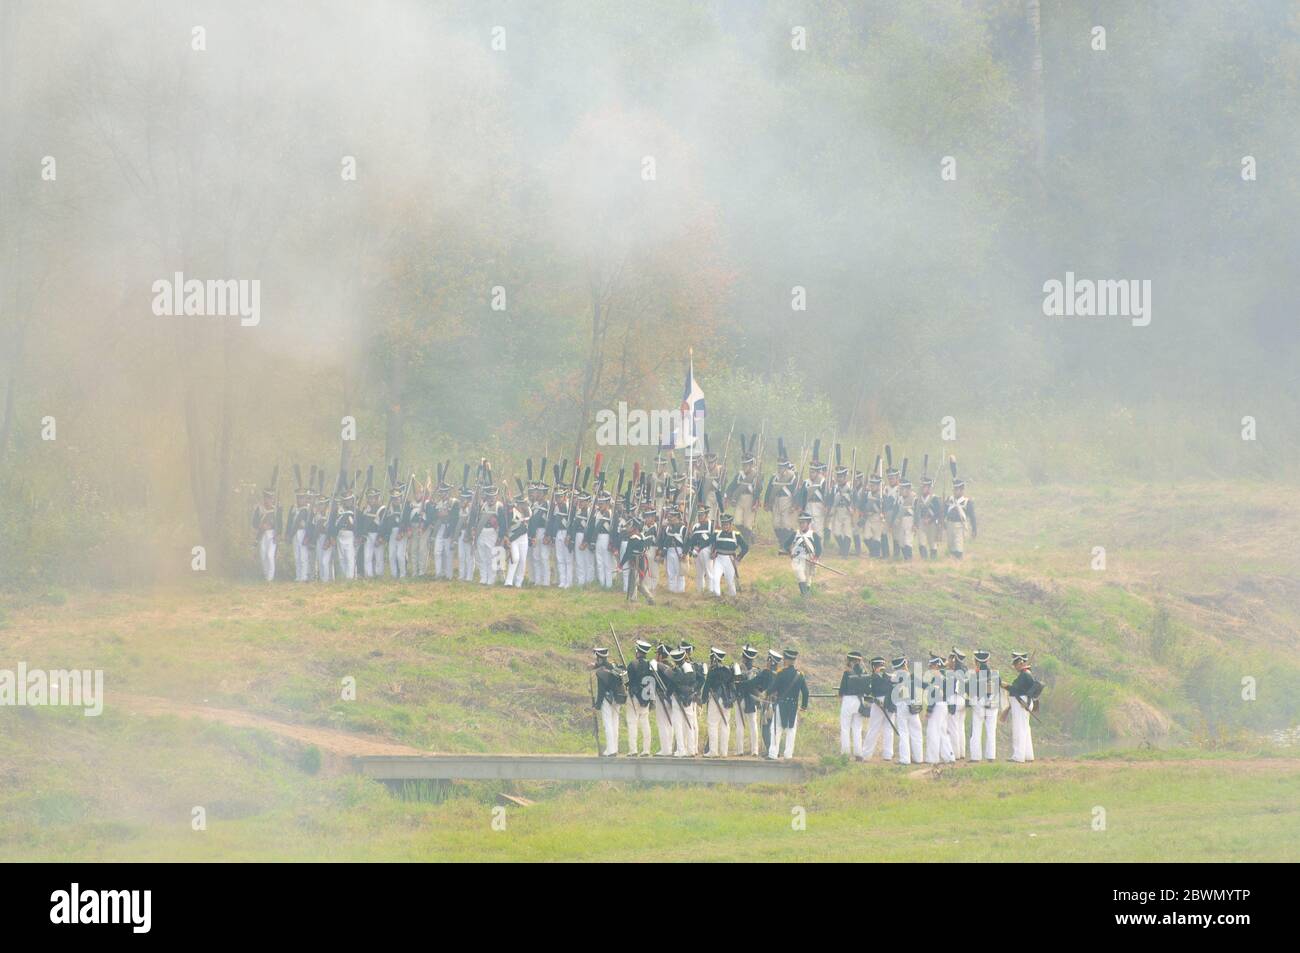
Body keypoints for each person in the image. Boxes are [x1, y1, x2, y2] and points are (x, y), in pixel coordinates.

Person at [767, 649, 809, 760]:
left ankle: (772, 754)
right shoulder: (800, 675)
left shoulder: (781, 673)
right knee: (791, 731)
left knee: (776, 729)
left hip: (781, 705)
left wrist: (766, 692)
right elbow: (805, 692)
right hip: (793, 706)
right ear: (794, 660)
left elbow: (773, 688)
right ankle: (788, 755)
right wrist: (804, 707)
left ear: (786, 660)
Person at [1004, 652, 1041, 763]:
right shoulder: (1026, 674)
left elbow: (1015, 689)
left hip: (1021, 703)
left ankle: (1018, 756)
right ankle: (1028, 755)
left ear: (1020, 663)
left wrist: (1005, 685)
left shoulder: (1024, 675)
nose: (1015, 666)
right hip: (1024, 702)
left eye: (1016, 664)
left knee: (1019, 729)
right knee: (1025, 728)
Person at [591, 648, 627, 757]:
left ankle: (610, 750)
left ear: (599, 658)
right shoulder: (614, 666)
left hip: (607, 700)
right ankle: (614, 748)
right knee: (615, 724)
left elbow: (601, 691)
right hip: (617, 699)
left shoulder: (601, 672)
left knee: (608, 725)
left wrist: (597, 706)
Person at [701, 647, 735, 758]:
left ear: (714, 658)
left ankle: (713, 751)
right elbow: (732, 686)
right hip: (727, 700)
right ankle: (724, 752)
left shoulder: (713, 671)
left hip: (715, 700)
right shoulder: (728, 670)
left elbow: (706, 687)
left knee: (713, 725)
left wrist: (703, 699)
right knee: (725, 724)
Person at [968, 649, 1000, 761]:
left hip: (979, 702)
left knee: (976, 730)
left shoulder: (974, 675)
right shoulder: (994, 674)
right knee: (991, 731)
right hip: (992, 703)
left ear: (976, 661)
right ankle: (991, 756)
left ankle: (975, 757)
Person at [861, 656, 895, 761]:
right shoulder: (888, 677)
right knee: (887, 729)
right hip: (887, 702)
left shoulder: (872, 677)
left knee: (874, 729)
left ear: (873, 666)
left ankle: (866, 755)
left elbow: (867, 692)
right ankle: (887, 755)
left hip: (882, 703)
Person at [624, 639, 655, 757]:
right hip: (645, 697)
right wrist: (651, 699)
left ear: (637, 651)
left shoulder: (632, 664)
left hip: (634, 697)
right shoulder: (650, 665)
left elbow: (628, 682)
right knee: (645, 723)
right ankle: (646, 749)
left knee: (632, 723)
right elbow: (652, 682)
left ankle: (633, 750)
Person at [838, 651, 867, 757]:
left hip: (848, 700)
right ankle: (858, 753)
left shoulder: (847, 673)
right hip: (860, 701)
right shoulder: (865, 673)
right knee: (857, 728)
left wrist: (840, 697)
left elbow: (842, 690)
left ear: (850, 661)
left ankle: (845, 753)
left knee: (845, 727)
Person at [790, 511, 821, 595]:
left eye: (803, 523)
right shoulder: (795, 533)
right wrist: (790, 552)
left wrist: (815, 558)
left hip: (809, 558)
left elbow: (819, 549)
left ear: (808, 523)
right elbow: (786, 545)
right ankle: (805, 595)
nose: (801, 525)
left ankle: (806, 594)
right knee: (800, 575)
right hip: (798, 558)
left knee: (808, 577)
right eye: (800, 523)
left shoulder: (814, 535)